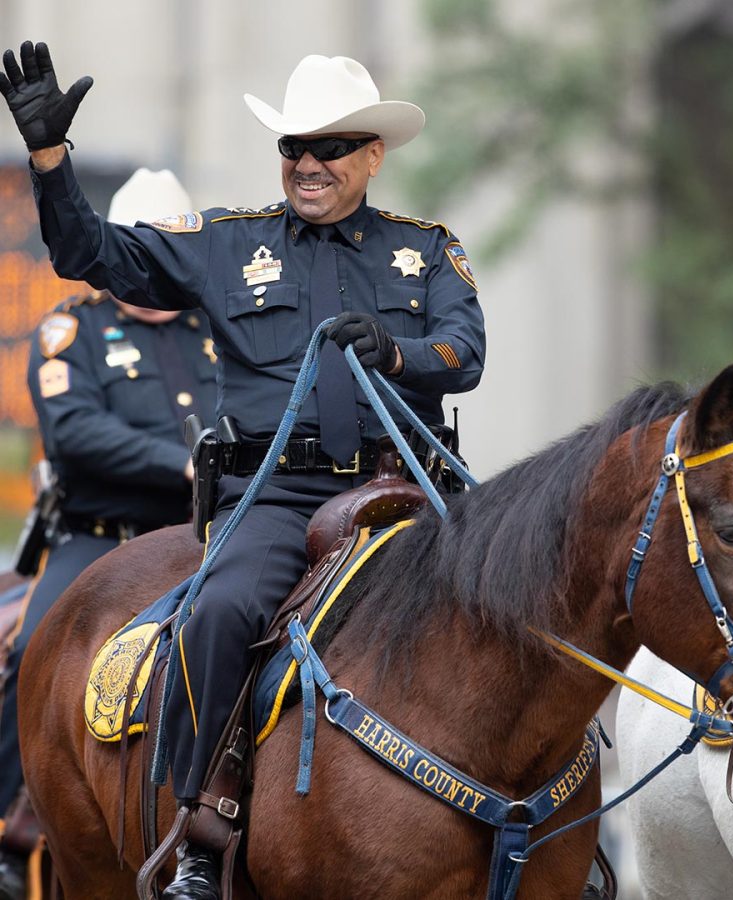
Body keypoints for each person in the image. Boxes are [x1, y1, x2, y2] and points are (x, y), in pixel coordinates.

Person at [0, 42, 486, 899]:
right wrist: (49, 159)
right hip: (279, 494)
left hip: (404, 488)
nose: (308, 163)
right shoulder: (229, 243)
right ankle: (200, 830)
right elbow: (89, 254)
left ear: (373, 155)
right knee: (217, 613)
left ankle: (560, 835)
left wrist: (401, 356)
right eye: (293, 146)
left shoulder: (426, 251)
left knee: (518, 603)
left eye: (330, 147)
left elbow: (465, 349)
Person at [0, 166, 217, 900]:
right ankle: (6, 833)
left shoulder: (216, 331)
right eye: (138, 245)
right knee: (31, 648)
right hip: (100, 539)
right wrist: (184, 462)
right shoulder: (75, 329)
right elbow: (76, 434)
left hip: (206, 536)